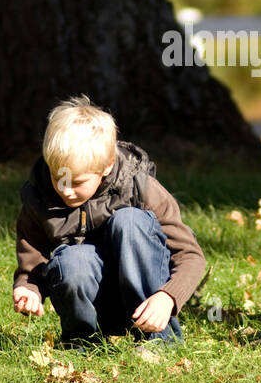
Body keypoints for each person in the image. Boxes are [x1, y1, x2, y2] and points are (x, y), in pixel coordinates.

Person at [12, 95, 206, 346]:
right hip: (97, 303)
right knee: (73, 258)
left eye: (78, 182)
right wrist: (29, 289)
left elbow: (191, 256)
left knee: (129, 221)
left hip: (149, 304)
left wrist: (167, 297)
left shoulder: (139, 188)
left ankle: (159, 342)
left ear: (107, 166)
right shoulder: (39, 200)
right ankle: (81, 342)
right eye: (58, 178)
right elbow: (32, 261)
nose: (66, 190)